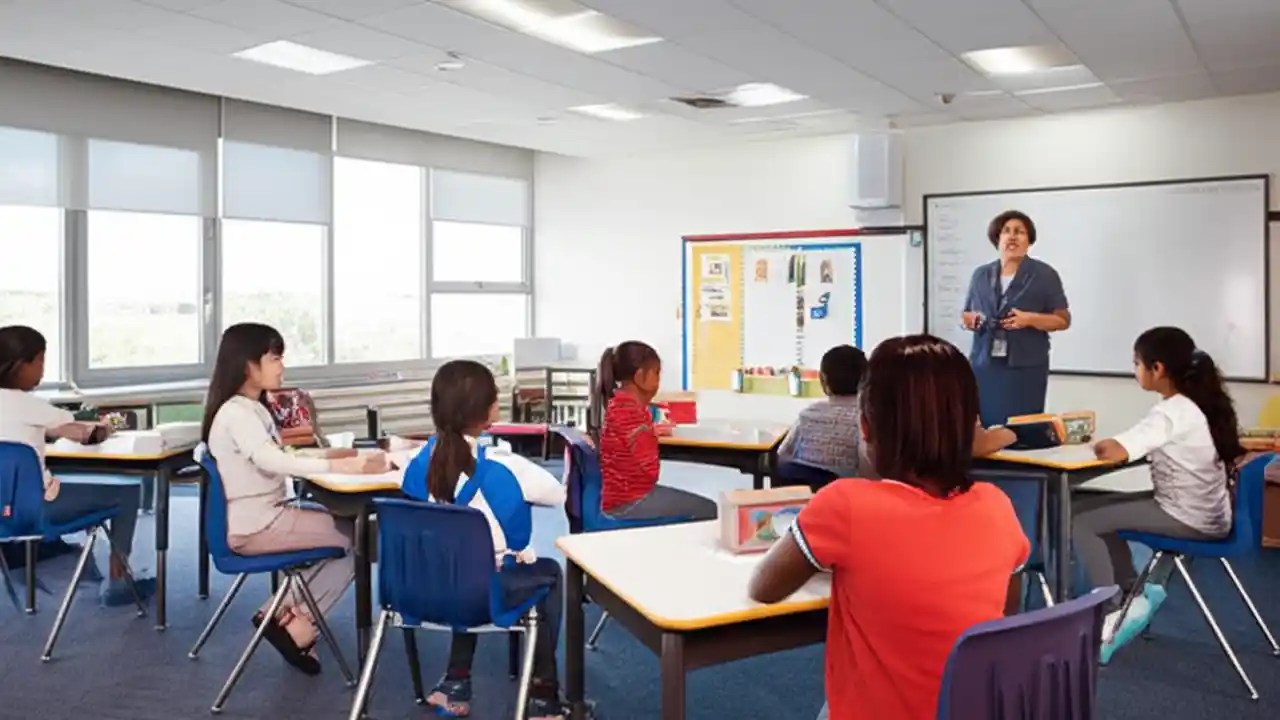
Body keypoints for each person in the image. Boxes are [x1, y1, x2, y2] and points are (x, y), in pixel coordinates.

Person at [749, 334, 1029, 720]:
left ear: (865, 427)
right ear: (972, 428)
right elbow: (1002, 610)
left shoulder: (844, 505)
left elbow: (763, 588)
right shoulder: (998, 506)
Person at [201, 322, 387, 675]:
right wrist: (340, 465)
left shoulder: (248, 408)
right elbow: (271, 459)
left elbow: (281, 454)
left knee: (353, 534)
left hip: (263, 516)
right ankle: (284, 616)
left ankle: (285, 615)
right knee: (359, 538)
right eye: (275, 358)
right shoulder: (237, 413)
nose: (282, 366)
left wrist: (333, 457)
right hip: (259, 524)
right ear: (247, 364)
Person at [399, 359, 568, 720]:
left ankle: (454, 684)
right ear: (487, 410)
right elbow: (557, 495)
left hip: (424, 589)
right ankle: (544, 697)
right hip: (480, 593)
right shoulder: (506, 465)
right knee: (548, 574)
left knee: (464, 560)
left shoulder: (416, 461)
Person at [1075, 327, 1244, 655]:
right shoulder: (1197, 403)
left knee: (1082, 522)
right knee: (1089, 512)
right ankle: (1128, 594)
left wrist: (1096, 443)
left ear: (1158, 369)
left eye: (1137, 363)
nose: (1134, 370)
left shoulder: (1170, 412)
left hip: (1188, 517)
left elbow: (1117, 451)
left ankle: (1112, 610)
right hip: (1208, 511)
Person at [0, 324, 151, 606]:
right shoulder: (27, 405)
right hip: (34, 512)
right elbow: (84, 433)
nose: (42, 369)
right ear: (22, 364)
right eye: (41, 361)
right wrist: (106, 426)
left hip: (3, 513)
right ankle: (119, 582)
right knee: (128, 491)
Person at [961, 210, 1070, 427]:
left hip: (1025, 367)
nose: (1012, 237)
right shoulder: (981, 274)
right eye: (1006, 231)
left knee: (1022, 428)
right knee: (986, 424)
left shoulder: (1044, 274)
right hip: (985, 365)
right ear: (997, 238)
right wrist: (970, 321)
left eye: (1020, 232)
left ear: (1029, 240)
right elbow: (965, 314)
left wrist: (1029, 319)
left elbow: (1062, 320)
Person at [594, 341, 717, 521]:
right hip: (629, 502)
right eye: (656, 373)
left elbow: (629, 441)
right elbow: (650, 472)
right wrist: (649, 435)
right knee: (709, 509)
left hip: (619, 497)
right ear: (639, 376)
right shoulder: (632, 411)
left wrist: (648, 431)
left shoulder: (620, 404)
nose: (659, 381)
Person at [775, 345, 869, 491]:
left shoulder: (808, 414)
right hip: (843, 501)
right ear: (866, 380)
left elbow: (782, 456)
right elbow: (870, 473)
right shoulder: (867, 418)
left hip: (799, 500)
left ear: (823, 380)